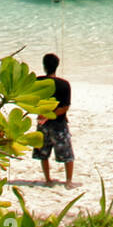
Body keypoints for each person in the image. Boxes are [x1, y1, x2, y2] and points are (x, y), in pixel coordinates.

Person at [33, 53, 74, 188]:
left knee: (43, 153)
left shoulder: (37, 82)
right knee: (67, 154)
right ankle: (68, 181)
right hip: (58, 123)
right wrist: (50, 115)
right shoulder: (64, 84)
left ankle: (48, 179)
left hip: (42, 122)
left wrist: (44, 115)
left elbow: (32, 101)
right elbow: (65, 107)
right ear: (57, 66)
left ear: (44, 66)